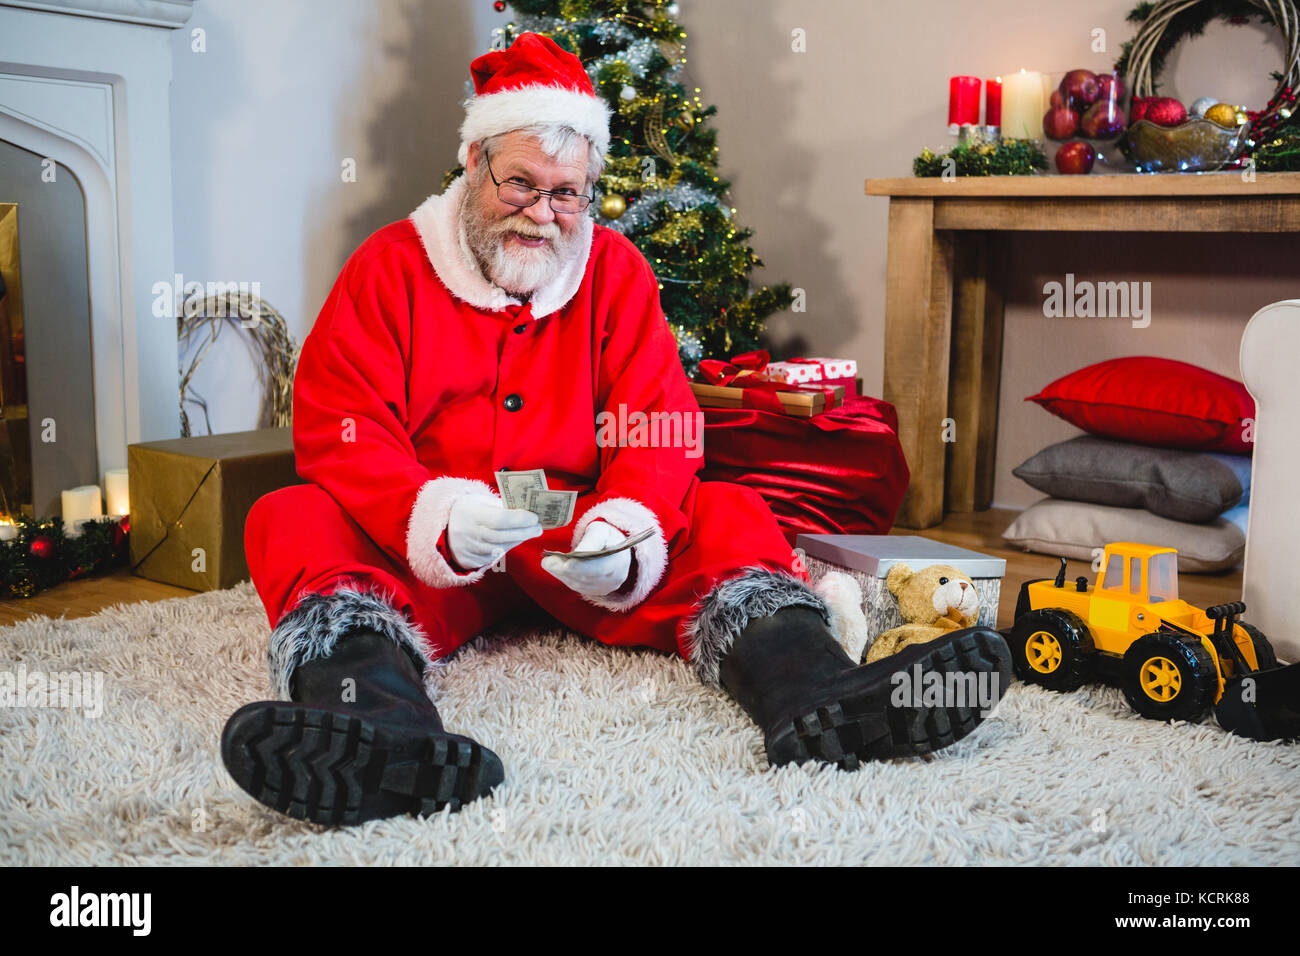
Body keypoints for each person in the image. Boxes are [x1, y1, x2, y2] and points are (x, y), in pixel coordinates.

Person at [221, 32, 1010, 826]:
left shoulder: (616, 271)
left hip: (578, 538)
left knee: (728, 512)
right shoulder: (389, 266)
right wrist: (434, 516)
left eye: (566, 193)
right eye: (519, 184)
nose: (542, 214)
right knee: (294, 517)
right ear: (472, 162)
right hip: (432, 546)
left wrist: (626, 529)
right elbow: (343, 424)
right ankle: (377, 726)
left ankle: (817, 690)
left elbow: (660, 421)